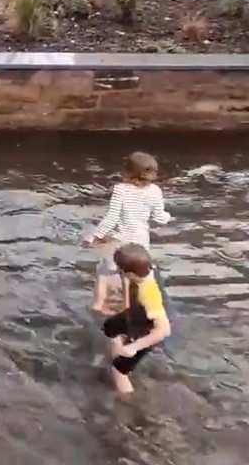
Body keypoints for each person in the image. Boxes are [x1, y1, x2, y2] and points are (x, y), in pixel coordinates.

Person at [83, 152, 171, 313]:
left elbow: (111, 218)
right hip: (141, 244)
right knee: (133, 275)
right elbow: (160, 218)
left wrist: (95, 235)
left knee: (104, 271)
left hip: (121, 242)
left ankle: (98, 304)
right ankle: (130, 305)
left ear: (127, 171)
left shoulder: (120, 190)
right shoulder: (155, 191)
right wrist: (168, 216)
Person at [103, 243, 172, 394]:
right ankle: (118, 354)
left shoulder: (149, 293)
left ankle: (127, 402)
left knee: (119, 370)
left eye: (119, 270)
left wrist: (133, 347)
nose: (117, 271)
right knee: (110, 327)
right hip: (137, 313)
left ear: (131, 273)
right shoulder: (145, 268)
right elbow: (126, 281)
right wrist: (127, 308)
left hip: (150, 328)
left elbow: (164, 330)